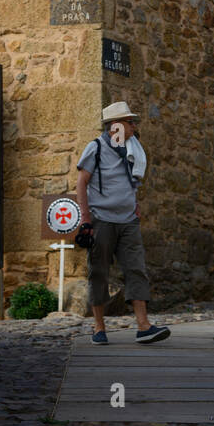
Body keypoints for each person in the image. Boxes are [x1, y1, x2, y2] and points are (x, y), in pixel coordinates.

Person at [75, 101, 170, 345]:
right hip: (101, 220)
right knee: (99, 272)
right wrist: (86, 219)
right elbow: (81, 183)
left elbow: (131, 181)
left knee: (136, 269)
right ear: (115, 125)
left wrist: (134, 204)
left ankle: (143, 326)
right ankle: (98, 328)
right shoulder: (95, 148)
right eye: (130, 122)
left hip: (128, 220)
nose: (134, 126)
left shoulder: (132, 148)